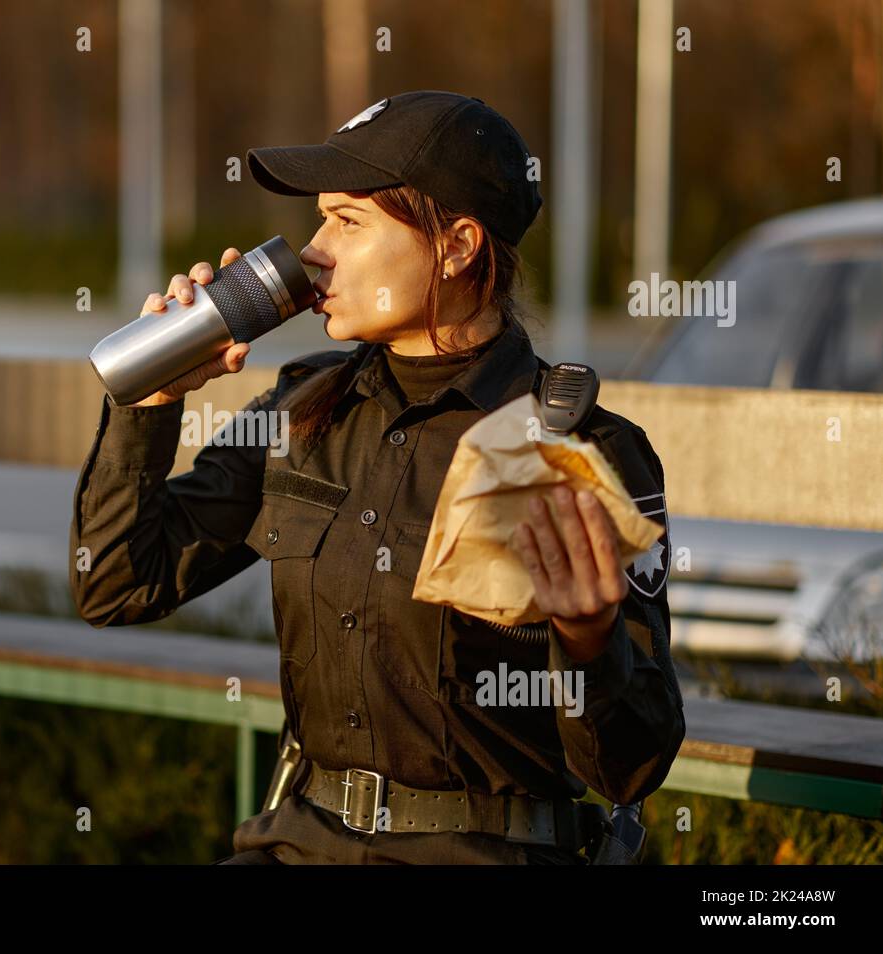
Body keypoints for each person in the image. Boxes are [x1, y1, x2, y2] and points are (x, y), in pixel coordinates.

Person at [69, 91, 684, 864]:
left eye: (349, 223)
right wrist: (153, 399)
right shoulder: (301, 411)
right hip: (298, 842)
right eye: (322, 219)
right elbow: (118, 585)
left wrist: (592, 641)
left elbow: (633, 766)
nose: (316, 249)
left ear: (457, 245)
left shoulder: (573, 452)